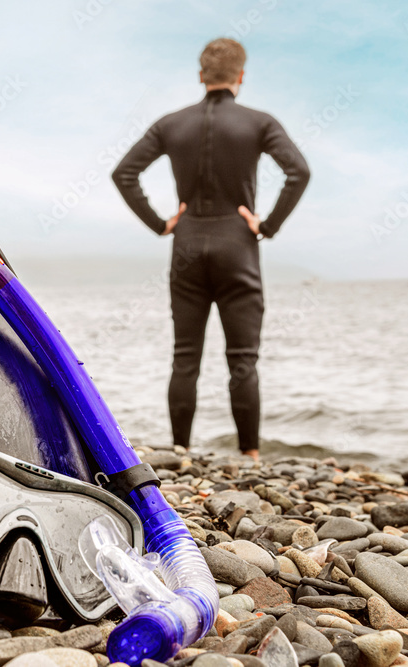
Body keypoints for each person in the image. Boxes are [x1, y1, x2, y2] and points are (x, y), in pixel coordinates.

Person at [111, 38, 309, 461]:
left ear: (202, 76)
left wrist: (160, 222)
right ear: (241, 76)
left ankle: (180, 449)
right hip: (238, 244)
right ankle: (250, 455)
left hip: (186, 247)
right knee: (242, 359)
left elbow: (123, 173)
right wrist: (267, 225)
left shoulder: (170, 124)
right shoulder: (259, 123)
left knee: (185, 357)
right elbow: (299, 172)